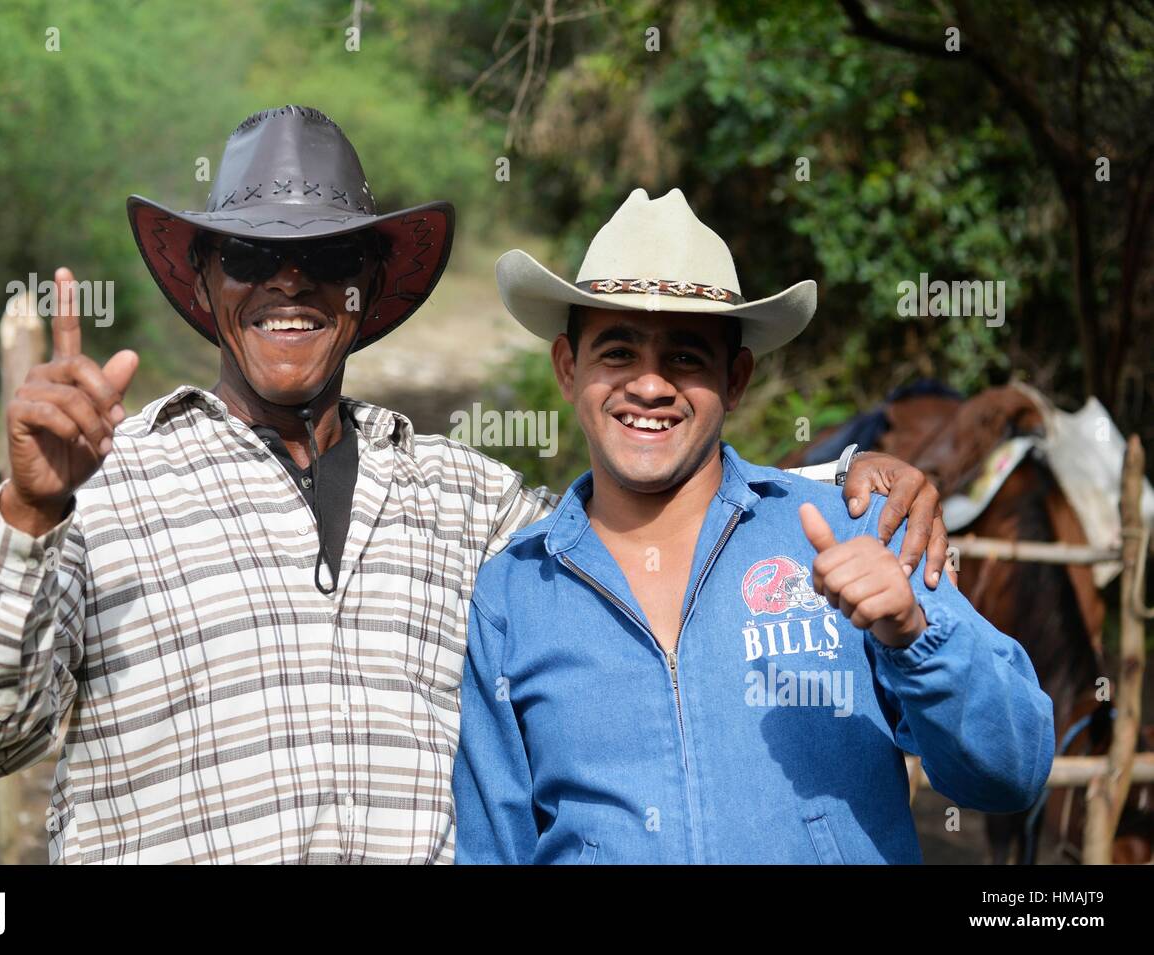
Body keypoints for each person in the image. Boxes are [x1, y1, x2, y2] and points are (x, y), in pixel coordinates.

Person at [0, 108, 950, 864]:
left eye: (327, 258)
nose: (289, 282)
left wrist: (851, 476)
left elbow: (657, 525)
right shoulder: (104, 489)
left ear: (364, 291)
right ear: (205, 282)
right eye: (252, 255)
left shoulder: (469, 502)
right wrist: (32, 509)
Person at [451, 188, 1054, 864]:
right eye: (617, 352)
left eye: (685, 357)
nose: (649, 386)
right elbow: (490, 848)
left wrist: (913, 637)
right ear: (569, 369)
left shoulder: (854, 527)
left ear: (735, 379)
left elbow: (1013, 770)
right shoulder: (514, 594)